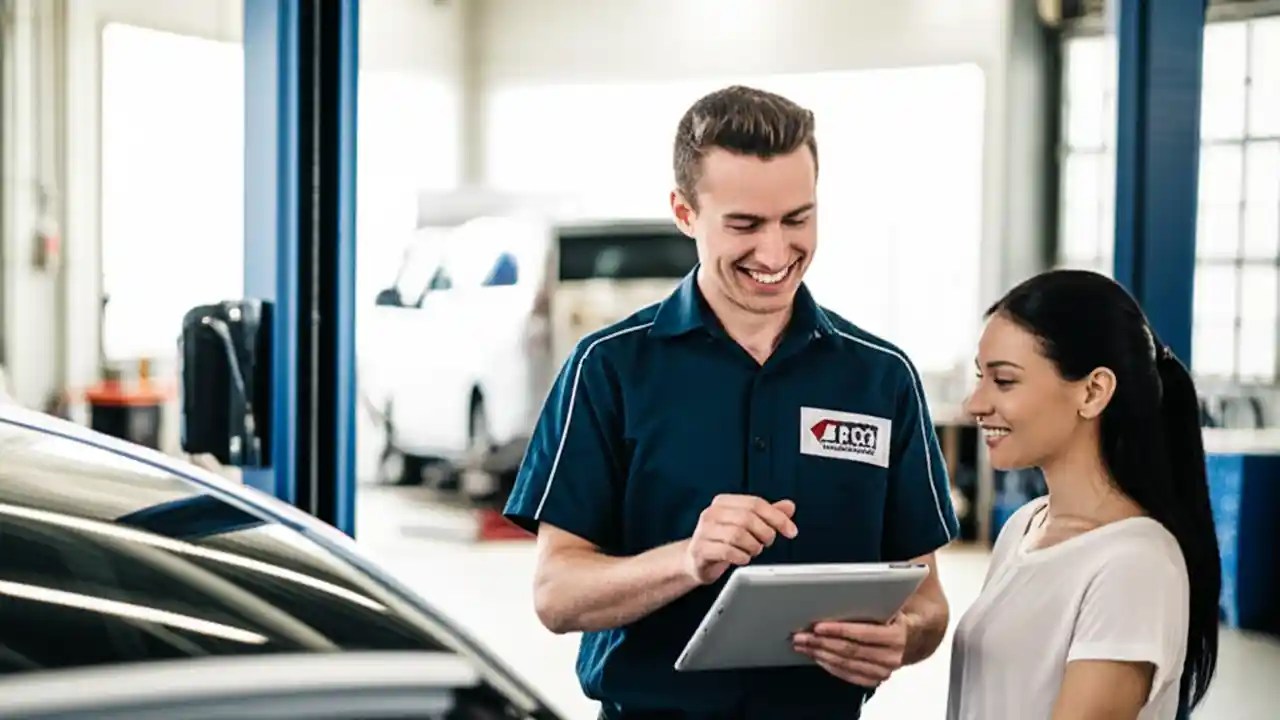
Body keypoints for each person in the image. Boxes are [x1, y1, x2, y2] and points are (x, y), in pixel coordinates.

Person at [503, 84, 960, 719]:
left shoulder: (880, 379)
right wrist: (687, 561)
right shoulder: (609, 370)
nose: (775, 253)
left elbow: (929, 600)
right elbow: (557, 595)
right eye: (744, 225)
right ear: (684, 212)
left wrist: (904, 636)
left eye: (797, 219)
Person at [949, 269, 1221, 719]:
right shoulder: (1024, 528)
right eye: (980, 377)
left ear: (1093, 391)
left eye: (1004, 381)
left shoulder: (1134, 564)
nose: (973, 404)